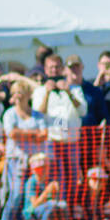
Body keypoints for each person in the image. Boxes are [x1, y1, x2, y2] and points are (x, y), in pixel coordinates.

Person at [0, 80, 48, 220]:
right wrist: (33, 134)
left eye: (20, 92)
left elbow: (43, 134)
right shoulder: (10, 114)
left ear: (27, 95)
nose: (16, 96)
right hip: (16, 160)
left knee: (30, 195)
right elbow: (12, 134)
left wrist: (23, 133)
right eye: (14, 92)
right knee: (16, 195)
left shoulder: (37, 115)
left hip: (34, 162)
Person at [33, 53, 86, 209]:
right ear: (46, 70)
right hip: (52, 141)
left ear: (62, 69)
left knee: (73, 177)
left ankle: (69, 211)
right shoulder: (40, 91)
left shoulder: (75, 89)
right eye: (51, 67)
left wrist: (68, 92)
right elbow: (38, 113)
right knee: (57, 177)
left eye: (57, 67)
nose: (54, 70)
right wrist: (48, 93)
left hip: (71, 141)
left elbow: (83, 111)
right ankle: (57, 211)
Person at [22, 153, 65, 220]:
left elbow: (56, 200)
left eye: (46, 166)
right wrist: (47, 191)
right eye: (41, 168)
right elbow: (34, 204)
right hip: (31, 213)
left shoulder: (49, 180)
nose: (44, 170)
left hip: (46, 208)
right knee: (51, 205)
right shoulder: (31, 182)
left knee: (63, 205)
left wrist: (57, 192)